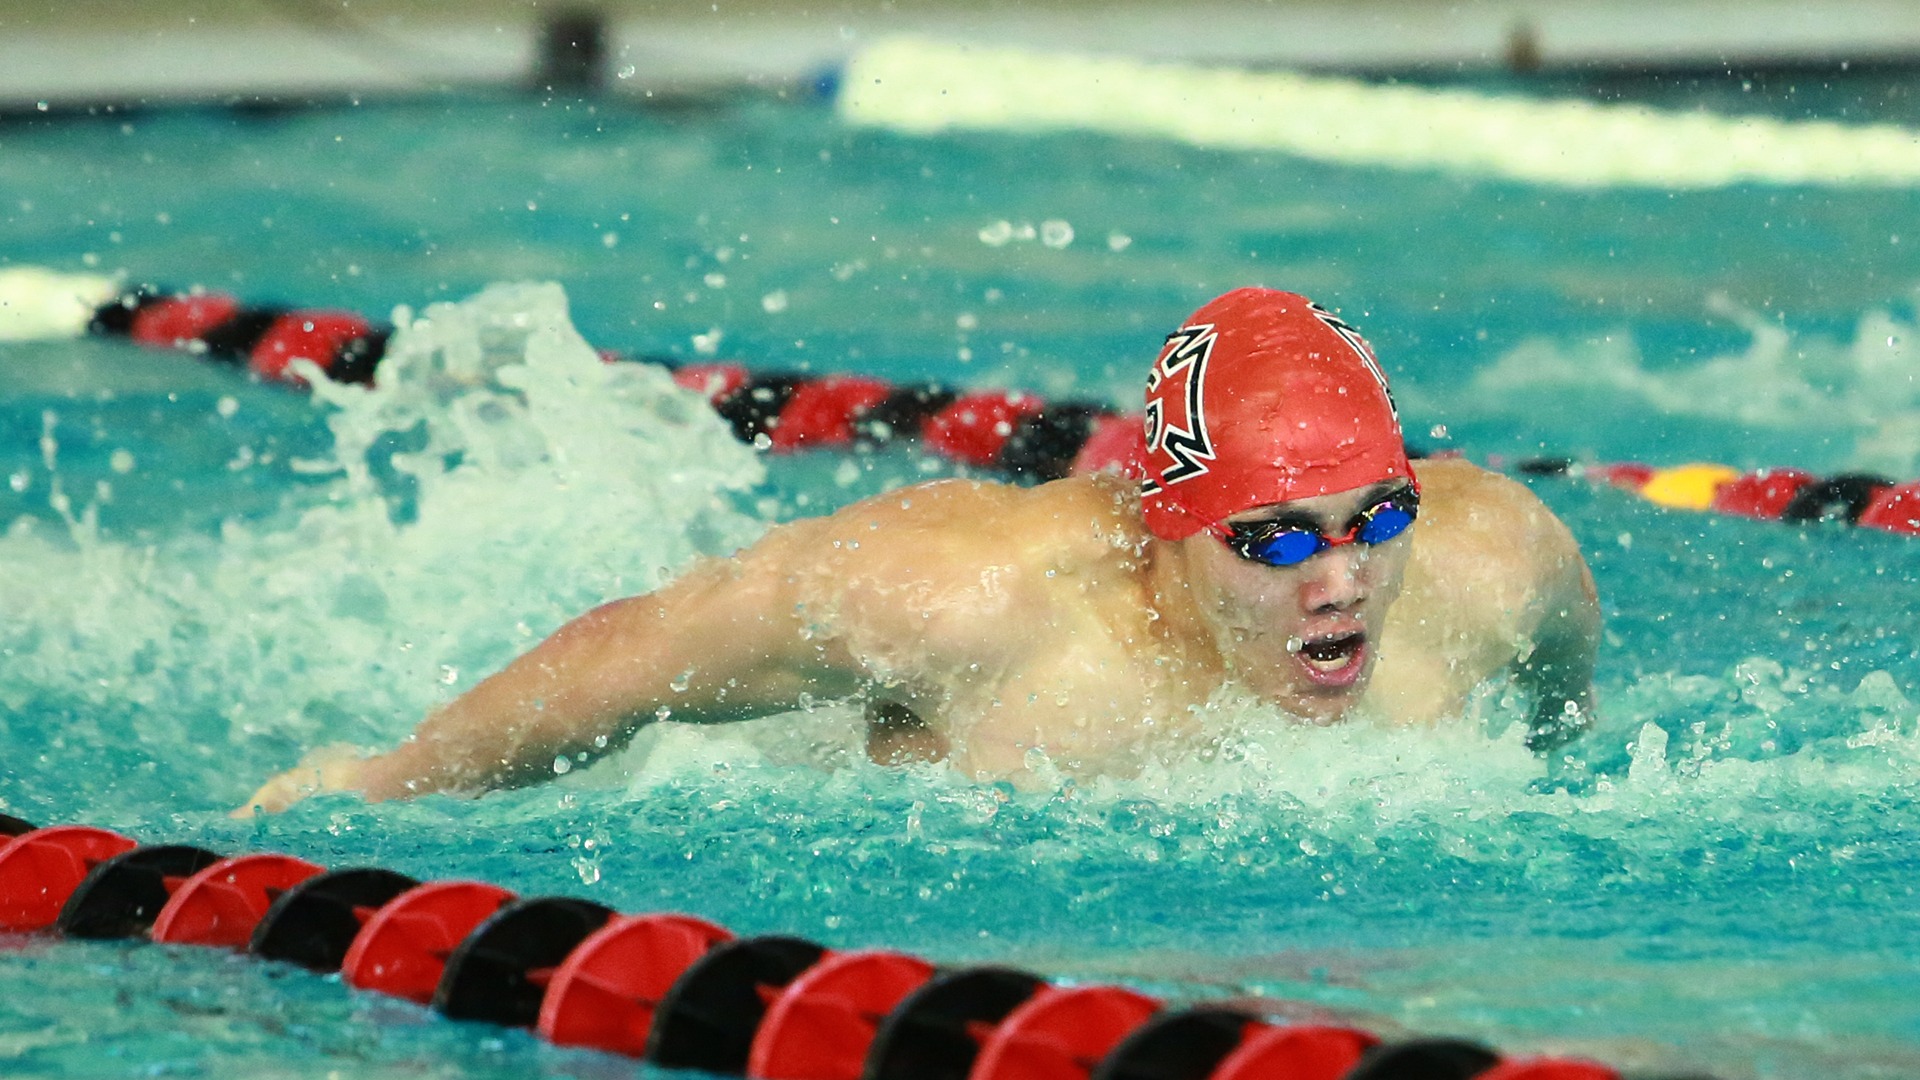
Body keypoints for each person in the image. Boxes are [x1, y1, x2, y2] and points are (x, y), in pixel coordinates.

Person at [238, 287, 1599, 815]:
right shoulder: (963, 604)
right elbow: (631, 662)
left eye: (1375, 517)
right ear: (1168, 530)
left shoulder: (1501, 566)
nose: (1341, 575)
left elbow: (1559, 736)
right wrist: (382, 779)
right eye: (1275, 536)